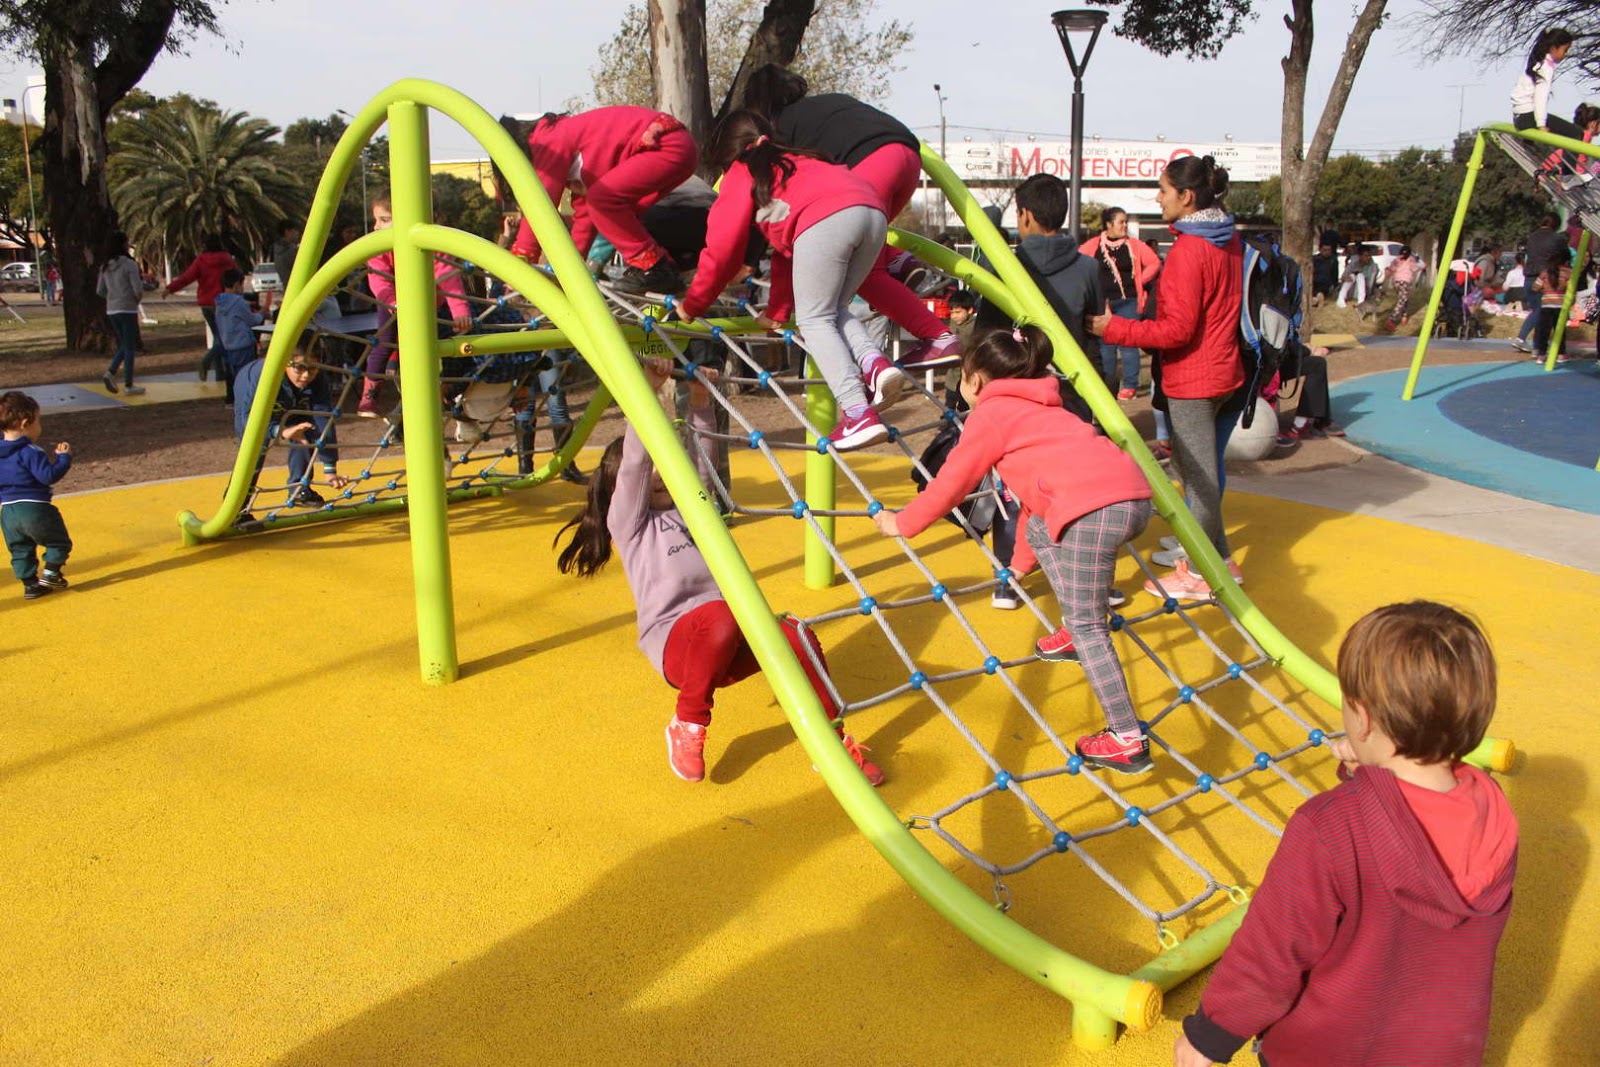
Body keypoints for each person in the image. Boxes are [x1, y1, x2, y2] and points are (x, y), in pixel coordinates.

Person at [1175, 601, 1516, 1067]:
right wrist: (1369, 777)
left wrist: (1210, 1034)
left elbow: (1273, 949)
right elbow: (1413, 840)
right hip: (1440, 1051)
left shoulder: (1330, 826)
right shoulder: (1492, 812)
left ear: (1364, 717)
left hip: (1328, 1051)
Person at [554, 356, 884, 786]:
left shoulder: (694, 510)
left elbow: (704, 462)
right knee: (722, 615)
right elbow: (634, 463)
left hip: (727, 638)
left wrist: (699, 401)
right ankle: (687, 724)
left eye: (665, 463)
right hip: (678, 646)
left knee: (795, 634)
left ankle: (831, 744)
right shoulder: (632, 525)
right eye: (652, 467)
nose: (660, 474)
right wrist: (648, 392)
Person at [873, 326, 1155, 773]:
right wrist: (1019, 566)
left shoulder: (991, 414)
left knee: (1090, 626)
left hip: (1093, 512)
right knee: (1043, 530)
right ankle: (1075, 631)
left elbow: (952, 482)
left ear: (976, 379)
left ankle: (1125, 737)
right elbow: (1035, 510)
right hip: (1133, 499)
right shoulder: (1049, 408)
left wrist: (903, 523)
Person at [678, 110, 896, 451]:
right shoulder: (798, 162)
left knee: (815, 319)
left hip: (827, 220)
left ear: (726, 154)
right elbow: (787, 251)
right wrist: (777, 312)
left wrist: (693, 304)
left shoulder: (743, 172)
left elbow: (721, 251)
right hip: (872, 212)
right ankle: (875, 364)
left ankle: (857, 412)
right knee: (833, 308)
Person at [1090, 155, 1244, 602]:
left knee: (1198, 480)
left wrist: (1113, 329)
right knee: (1199, 473)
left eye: (1163, 190)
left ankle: (1200, 572)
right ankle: (1221, 560)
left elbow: (1176, 330)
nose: (1158, 199)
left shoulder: (1189, 251)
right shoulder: (1227, 238)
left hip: (1195, 379)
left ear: (1186, 196)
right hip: (1224, 370)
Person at [743, 63, 962, 370]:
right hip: (908, 158)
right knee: (860, 243)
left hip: (868, 163)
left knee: (862, 270)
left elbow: (788, 232)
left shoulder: (778, 134)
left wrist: (777, 310)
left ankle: (937, 336)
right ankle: (899, 260)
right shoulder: (827, 106)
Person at [498, 106, 698, 295]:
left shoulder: (546, 142)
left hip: (663, 144)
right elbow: (585, 217)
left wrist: (523, 255)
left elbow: (540, 204)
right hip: (675, 145)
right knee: (609, 208)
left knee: (603, 200)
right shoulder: (575, 152)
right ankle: (666, 268)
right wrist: (570, 267)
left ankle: (654, 266)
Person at [360, 192, 473, 417]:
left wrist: (460, 311)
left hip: (427, 303)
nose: (376, 227)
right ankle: (369, 395)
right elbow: (378, 279)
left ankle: (443, 392)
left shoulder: (432, 242)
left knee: (434, 345)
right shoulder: (378, 247)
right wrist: (393, 302)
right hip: (392, 303)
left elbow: (448, 276)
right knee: (384, 343)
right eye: (376, 220)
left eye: (384, 220)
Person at [231, 332, 349, 511]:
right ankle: (237, 506)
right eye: (299, 368)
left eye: (312, 369)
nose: (306, 375)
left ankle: (300, 489)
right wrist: (281, 431)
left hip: (292, 401)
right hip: (257, 406)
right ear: (285, 362)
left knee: (306, 430)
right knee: (254, 450)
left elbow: (324, 419)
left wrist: (330, 468)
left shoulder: (317, 379)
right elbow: (247, 421)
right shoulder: (261, 376)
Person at [1011, 174, 1103, 367]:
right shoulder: (1089, 268)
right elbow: (1093, 339)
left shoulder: (1005, 267)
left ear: (1025, 216)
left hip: (1014, 378)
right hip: (1073, 378)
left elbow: (985, 334)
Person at [1079, 206, 1160, 398]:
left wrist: (1140, 280)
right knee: (1106, 346)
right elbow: (1078, 262)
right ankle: (1108, 385)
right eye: (1121, 222)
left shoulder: (1134, 245)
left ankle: (1130, 386)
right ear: (1109, 224)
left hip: (1128, 301)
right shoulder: (1093, 245)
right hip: (1104, 304)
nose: (1125, 225)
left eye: (1126, 222)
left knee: (1129, 344)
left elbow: (1154, 262)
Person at [0, 391, 73, 600]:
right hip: (35, 508)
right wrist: (63, 459)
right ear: (25, 423)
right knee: (58, 542)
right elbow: (47, 476)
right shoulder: (31, 451)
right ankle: (51, 573)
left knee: (20, 549)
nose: (40, 427)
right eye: (38, 421)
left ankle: (30, 585)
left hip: (8, 511)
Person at [1511, 26, 1584, 185]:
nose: (1566, 54)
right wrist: (1541, 124)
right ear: (1553, 48)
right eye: (1565, 50)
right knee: (1576, 133)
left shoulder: (1537, 62)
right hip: (1529, 116)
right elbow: (1540, 98)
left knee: (1561, 133)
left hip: (1520, 117)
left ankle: (1530, 147)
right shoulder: (1546, 67)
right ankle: (1568, 177)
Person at [164, 235, 240, 382]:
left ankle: (219, 373)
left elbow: (187, 277)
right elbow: (236, 276)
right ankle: (207, 361)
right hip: (223, 302)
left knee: (217, 336)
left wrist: (170, 288)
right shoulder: (227, 259)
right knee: (222, 337)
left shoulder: (201, 260)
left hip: (206, 303)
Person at [96, 232, 147, 397]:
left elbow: (100, 290)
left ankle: (112, 373)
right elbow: (137, 288)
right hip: (127, 308)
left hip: (112, 309)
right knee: (129, 346)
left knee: (124, 344)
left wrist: (112, 297)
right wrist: (135, 300)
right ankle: (127, 383)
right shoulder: (129, 265)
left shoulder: (105, 266)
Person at [1512, 214, 1568, 352]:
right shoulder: (1557, 238)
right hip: (1546, 277)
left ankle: (1538, 344)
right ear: (1556, 224)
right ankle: (1522, 338)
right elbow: (1565, 255)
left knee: (1538, 310)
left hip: (1529, 277)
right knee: (1541, 311)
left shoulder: (1531, 237)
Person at [214, 268, 263, 408]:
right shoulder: (238, 302)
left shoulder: (220, 303)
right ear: (236, 285)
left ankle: (233, 400)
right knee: (247, 374)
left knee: (232, 375)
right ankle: (247, 402)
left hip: (228, 345)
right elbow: (252, 320)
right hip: (243, 344)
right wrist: (262, 314)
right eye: (242, 285)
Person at [1380, 246, 1423, 329]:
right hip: (1405, 282)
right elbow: (1415, 268)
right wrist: (1422, 266)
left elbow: (1391, 269)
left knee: (1404, 298)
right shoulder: (1410, 260)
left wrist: (1388, 274)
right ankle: (1391, 318)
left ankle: (1404, 316)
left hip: (1396, 282)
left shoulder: (1396, 260)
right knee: (1402, 300)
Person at [1334, 243, 1368, 308]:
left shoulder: (1371, 266)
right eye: (1365, 256)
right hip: (1351, 290)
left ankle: (1361, 301)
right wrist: (1346, 278)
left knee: (1360, 276)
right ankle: (1341, 298)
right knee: (1352, 276)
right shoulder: (1354, 264)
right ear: (1360, 256)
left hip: (1362, 290)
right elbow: (1343, 277)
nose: (1367, 258)